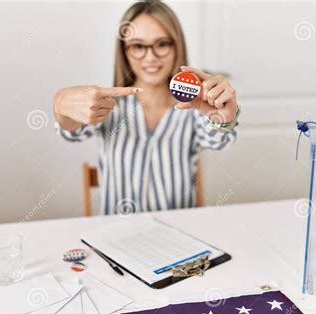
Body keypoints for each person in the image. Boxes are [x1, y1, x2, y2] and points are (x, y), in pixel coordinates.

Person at [53, 0, 240, 215]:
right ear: (124, 51)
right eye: (138, 46)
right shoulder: (107, 105)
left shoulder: (194, 108)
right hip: (116, 234)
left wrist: (224, 117)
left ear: (176, 46)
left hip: (179, 235)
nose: (150, 57)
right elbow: (71, 132)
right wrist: (61, 104)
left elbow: (221, 140)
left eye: (162, 44)